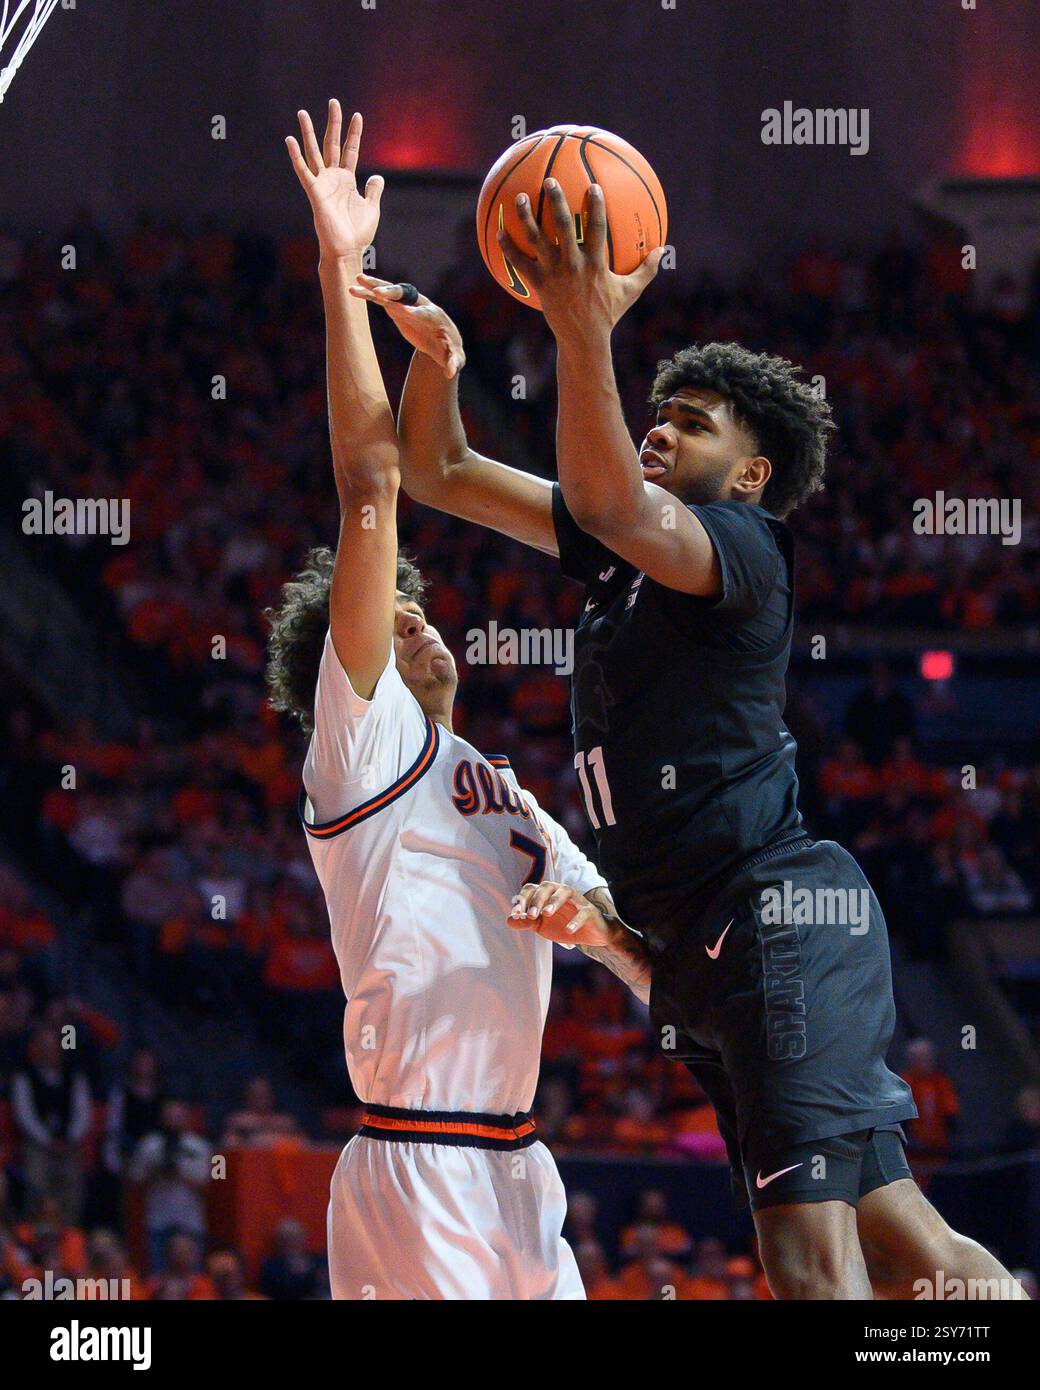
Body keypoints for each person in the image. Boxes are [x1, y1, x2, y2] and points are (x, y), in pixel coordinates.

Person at [355, 179, 1027, 1300]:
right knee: (906, 1243)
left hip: (774, 921)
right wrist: (441, 361)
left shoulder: (743, 546)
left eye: (692, 423)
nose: (660, 428)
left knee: (811, 1264)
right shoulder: (618, 546)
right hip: (712, 951)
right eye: (658, 413)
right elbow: (440, 472)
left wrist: (580, 328)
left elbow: (613, 501)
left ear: (751, 474)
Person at [267, 101, 650, 1301]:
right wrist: (341, 272)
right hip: (414, 1163)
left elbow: (638, 960)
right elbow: (371, 487)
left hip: (519, 1168)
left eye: (414, 606)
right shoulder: (361, 744)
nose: (414, 619)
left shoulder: (501, 791)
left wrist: (598, 932)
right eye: (388, 620)